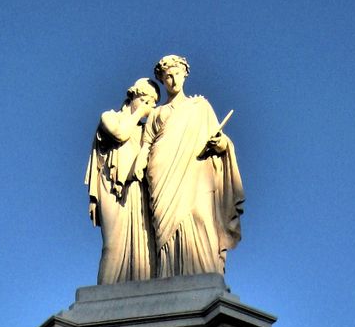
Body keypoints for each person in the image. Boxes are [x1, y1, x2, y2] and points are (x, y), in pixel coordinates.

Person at [145, 54, 244, 278]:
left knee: (200, 219)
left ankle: (202, 272)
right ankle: (168, 274)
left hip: (196, 173)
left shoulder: (200, 107)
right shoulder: (157, 114)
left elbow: (220, 141)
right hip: (162, 174)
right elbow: (146, 145)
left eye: (177, 75)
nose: (173, 80)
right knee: (164, 228)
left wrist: (220, 144)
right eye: (167, 76)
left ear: (184, 75)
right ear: (162, 80)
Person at [85, 78, 159, 284]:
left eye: (153, 103)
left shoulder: (146, 131)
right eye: (146, 100)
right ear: (133, 96)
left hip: (138, 187)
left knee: (143, 245)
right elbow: (119, 134)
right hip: (110, 185)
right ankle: (102, 299)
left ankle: (143, 294)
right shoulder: (109, 117)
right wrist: (138, 113)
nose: (149, 107)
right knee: (113, 245)